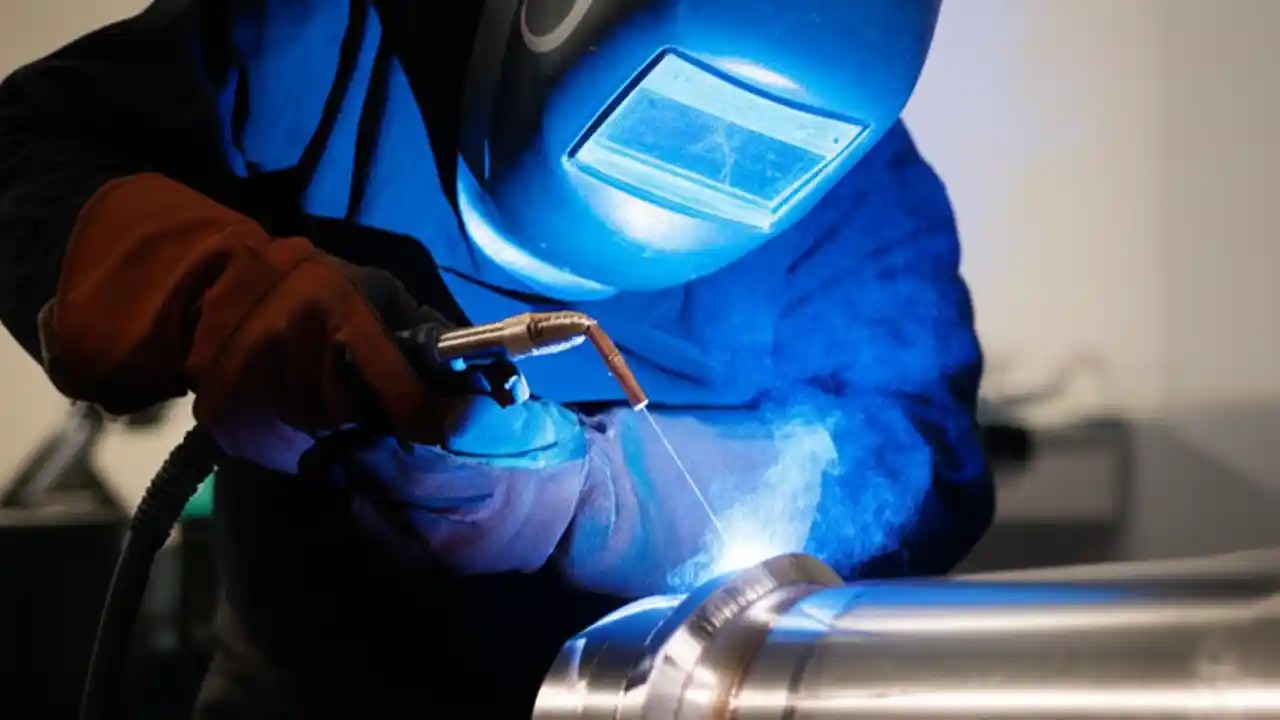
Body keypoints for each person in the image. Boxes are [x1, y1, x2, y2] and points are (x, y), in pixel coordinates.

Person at [0, 1, 993, 716]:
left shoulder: (866, 191)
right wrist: (218, 291)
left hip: (668, 703)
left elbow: (917, 461)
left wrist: (593, 494)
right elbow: (25, 152)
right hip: (314, 688)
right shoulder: (332, 33)